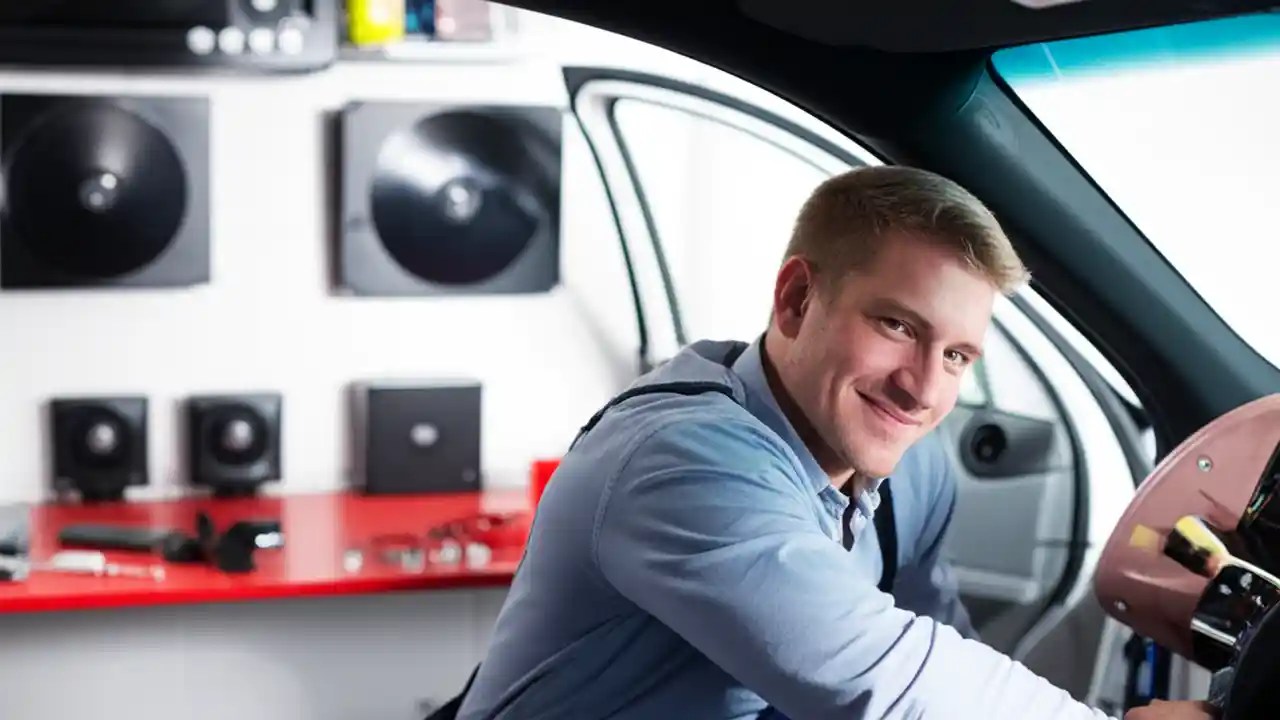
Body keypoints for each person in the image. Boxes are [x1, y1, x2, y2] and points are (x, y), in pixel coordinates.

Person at [455, 167, 1214, 719]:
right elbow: (884, 677)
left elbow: (935, 648)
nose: (922, 389)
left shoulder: (910, 473)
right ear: (795, 299)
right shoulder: (682, 462)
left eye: (956, 356)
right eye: (897, 326)